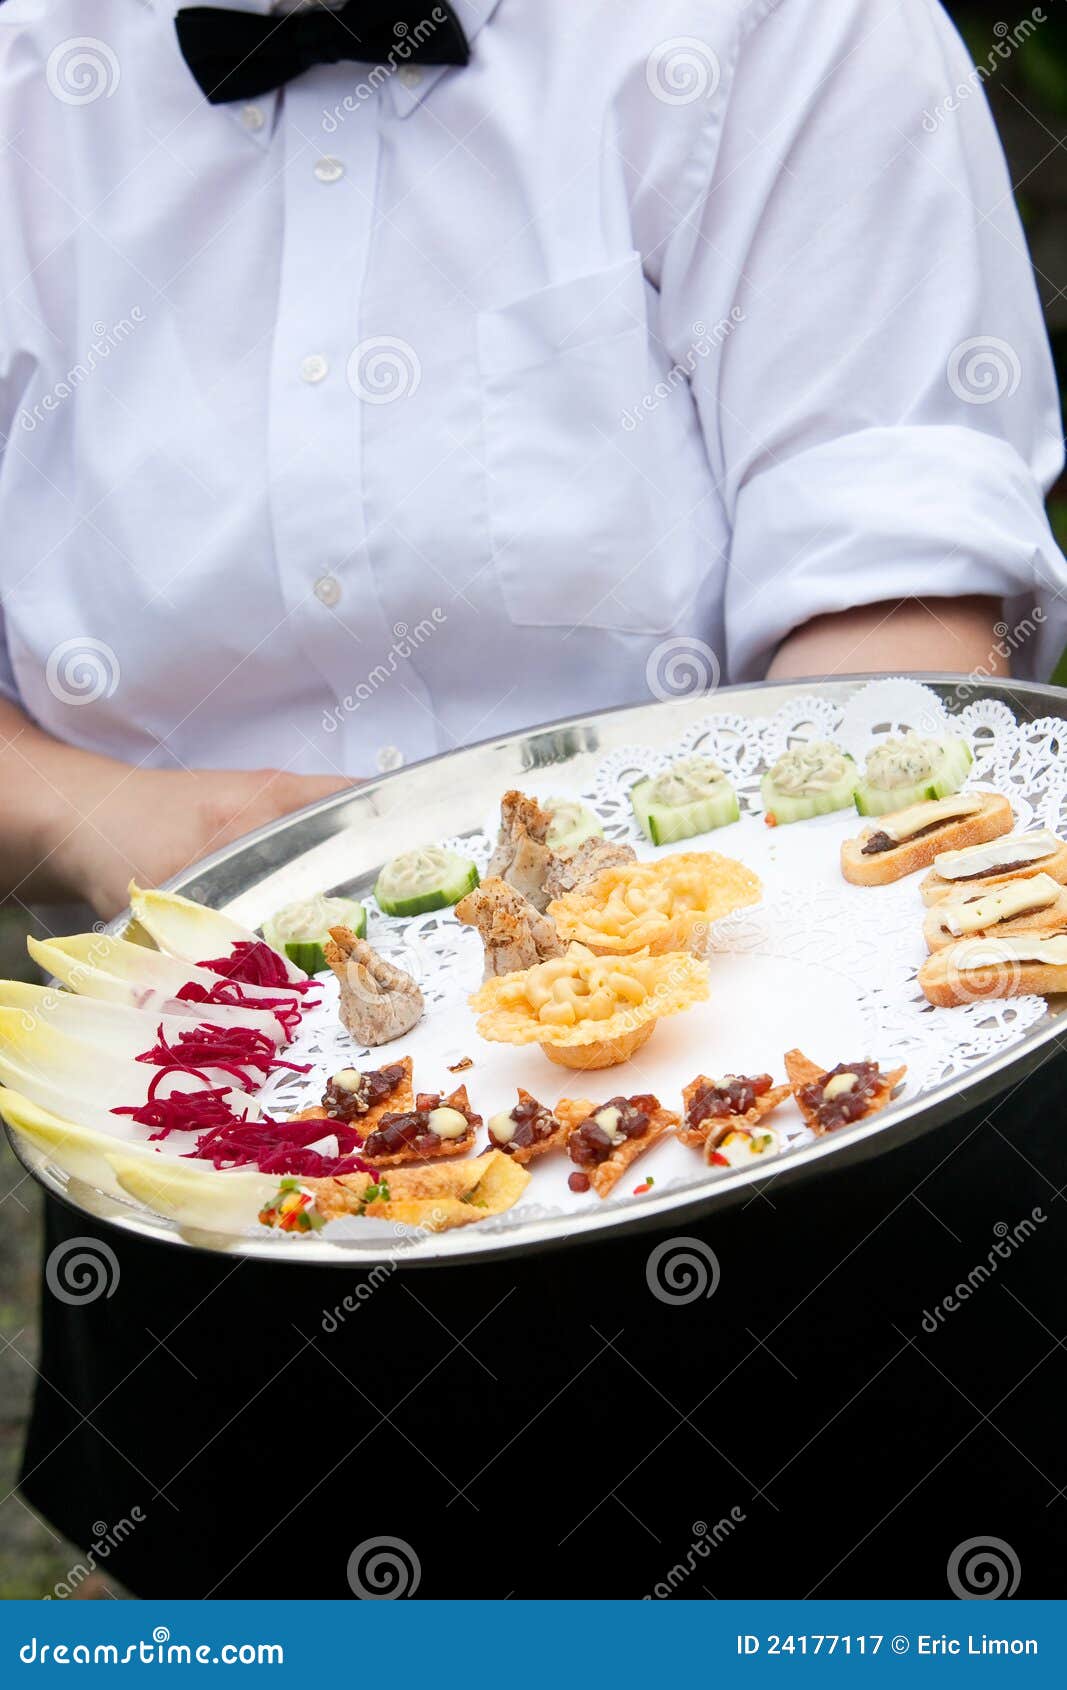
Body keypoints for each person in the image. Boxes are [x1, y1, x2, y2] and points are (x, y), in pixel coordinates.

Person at [2, 0, 1066, 1595]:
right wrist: (96, 819)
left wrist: (669, 979)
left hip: (820, 1157)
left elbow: (888, 619)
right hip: (240, 1159)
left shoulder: (800, 25)